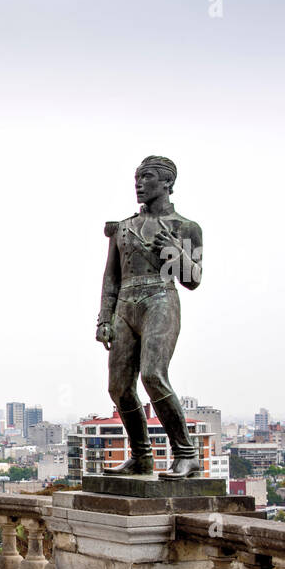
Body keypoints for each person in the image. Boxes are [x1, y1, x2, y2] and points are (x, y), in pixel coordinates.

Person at [96, 155, 204, 478]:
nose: (139, 184)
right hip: (125, 304)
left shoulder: (185, 227)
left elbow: (193, 279)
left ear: (167, 183)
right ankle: (141, 456)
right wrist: (104, 317)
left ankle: (186, 454)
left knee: (153, 375)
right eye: (137, 178)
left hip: (160, 298)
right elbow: (111, 277)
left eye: (147, 177)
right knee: (119, 387)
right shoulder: (123, 228)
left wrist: (174, 250)